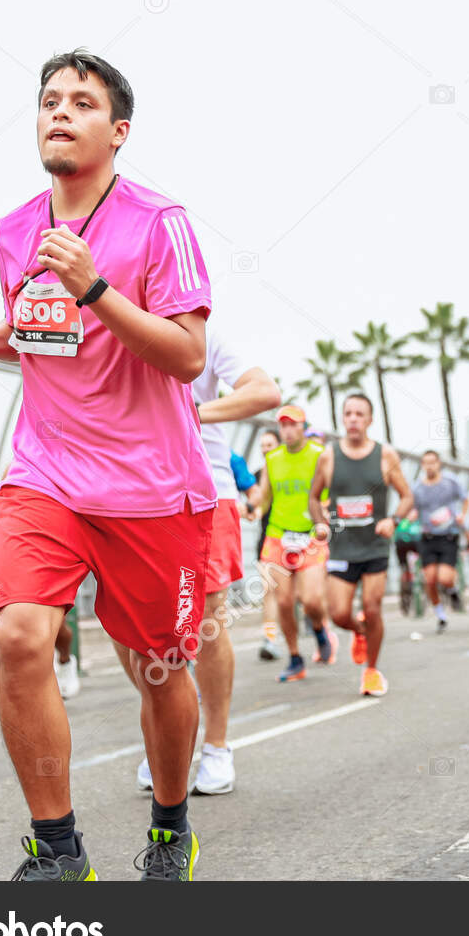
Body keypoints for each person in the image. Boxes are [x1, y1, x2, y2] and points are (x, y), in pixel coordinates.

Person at [0, 49, 209, 881]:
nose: (60, 112)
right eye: (49, 100)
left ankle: (171, 828)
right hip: (46, 472)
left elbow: (186, 357)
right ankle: (57, 847)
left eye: (82, 102)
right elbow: (52, 342)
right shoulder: (13, 229)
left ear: (118, 129)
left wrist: (98, 287)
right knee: (23, 634)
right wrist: (2, 339)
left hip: (149, 489)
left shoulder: (159, 221)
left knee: (158, 670)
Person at [127, 329, 280, 797]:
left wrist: (192, 412)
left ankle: (215, 745)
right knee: (131, 627)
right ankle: (168, 728)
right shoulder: (113, 326)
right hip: (132, 492)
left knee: (208, 617)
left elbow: (265, 390)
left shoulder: (205, 335)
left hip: (205, 490)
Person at [308, 394, 413, 697]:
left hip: (374, 546)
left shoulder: (385, 455)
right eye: (348, 413)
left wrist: (392, 520)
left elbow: (407, 496)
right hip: (342, 548)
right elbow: (314, 497)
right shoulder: (328, 456)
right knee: (340, 614)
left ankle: (371, 670)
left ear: (369, 420)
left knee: (372, 606)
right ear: (343, 418)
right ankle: (359, 631)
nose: (353, 418)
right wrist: (319, 523)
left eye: (359, 414)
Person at [251, 405, 338, 683]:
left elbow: (332, 491)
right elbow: (265, 497)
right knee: (285, 601)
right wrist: (252, 509)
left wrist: (326, 516)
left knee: (311, 600)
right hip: (278, 536)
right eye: (283, 425)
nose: (287, 430)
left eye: (293, 425)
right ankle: (295, 658)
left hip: (310, 535)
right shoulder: (272, 459)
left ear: (303, 427)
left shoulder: (319, 455)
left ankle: (320, 629)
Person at [411, 449, 469, 633]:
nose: (429, 466)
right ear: (422, 465)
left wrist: (462, 515)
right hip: (427, 536)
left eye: (433, 462)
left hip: (448, 535)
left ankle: (451, 590)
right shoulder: (417, 488)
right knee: (429, 579)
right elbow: (412, 509)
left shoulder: (450, 482)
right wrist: (411, 515)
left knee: (444, 578)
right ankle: (440, 615)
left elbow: (465, 500)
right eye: (426, 462)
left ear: (439, 464)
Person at [249, 427, 285, 660]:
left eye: (269, 445)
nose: (265, 450)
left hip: (293, 540)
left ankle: (318, 629)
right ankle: (270, 639)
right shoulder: (255, 476)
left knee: (292, 596)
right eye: (262, 446)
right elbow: (255, 507)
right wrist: (250, 510)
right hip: (267, 540)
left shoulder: (288, 473)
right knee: (268, 591)